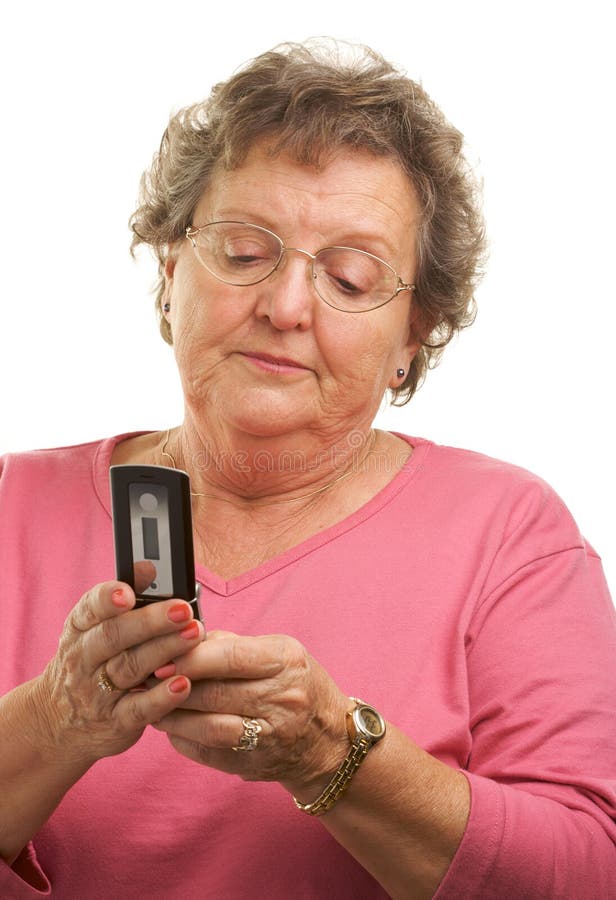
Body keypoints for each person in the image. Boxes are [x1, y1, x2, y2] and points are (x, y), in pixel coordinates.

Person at [1, 39, 615, 900]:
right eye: (245, 253)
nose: (286, 307)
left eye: (352, 277)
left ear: (412, 337)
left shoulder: (511, 536)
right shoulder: (11, 509)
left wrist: (336, 753)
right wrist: (54, 718)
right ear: (172, 273)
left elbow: (587, 876)